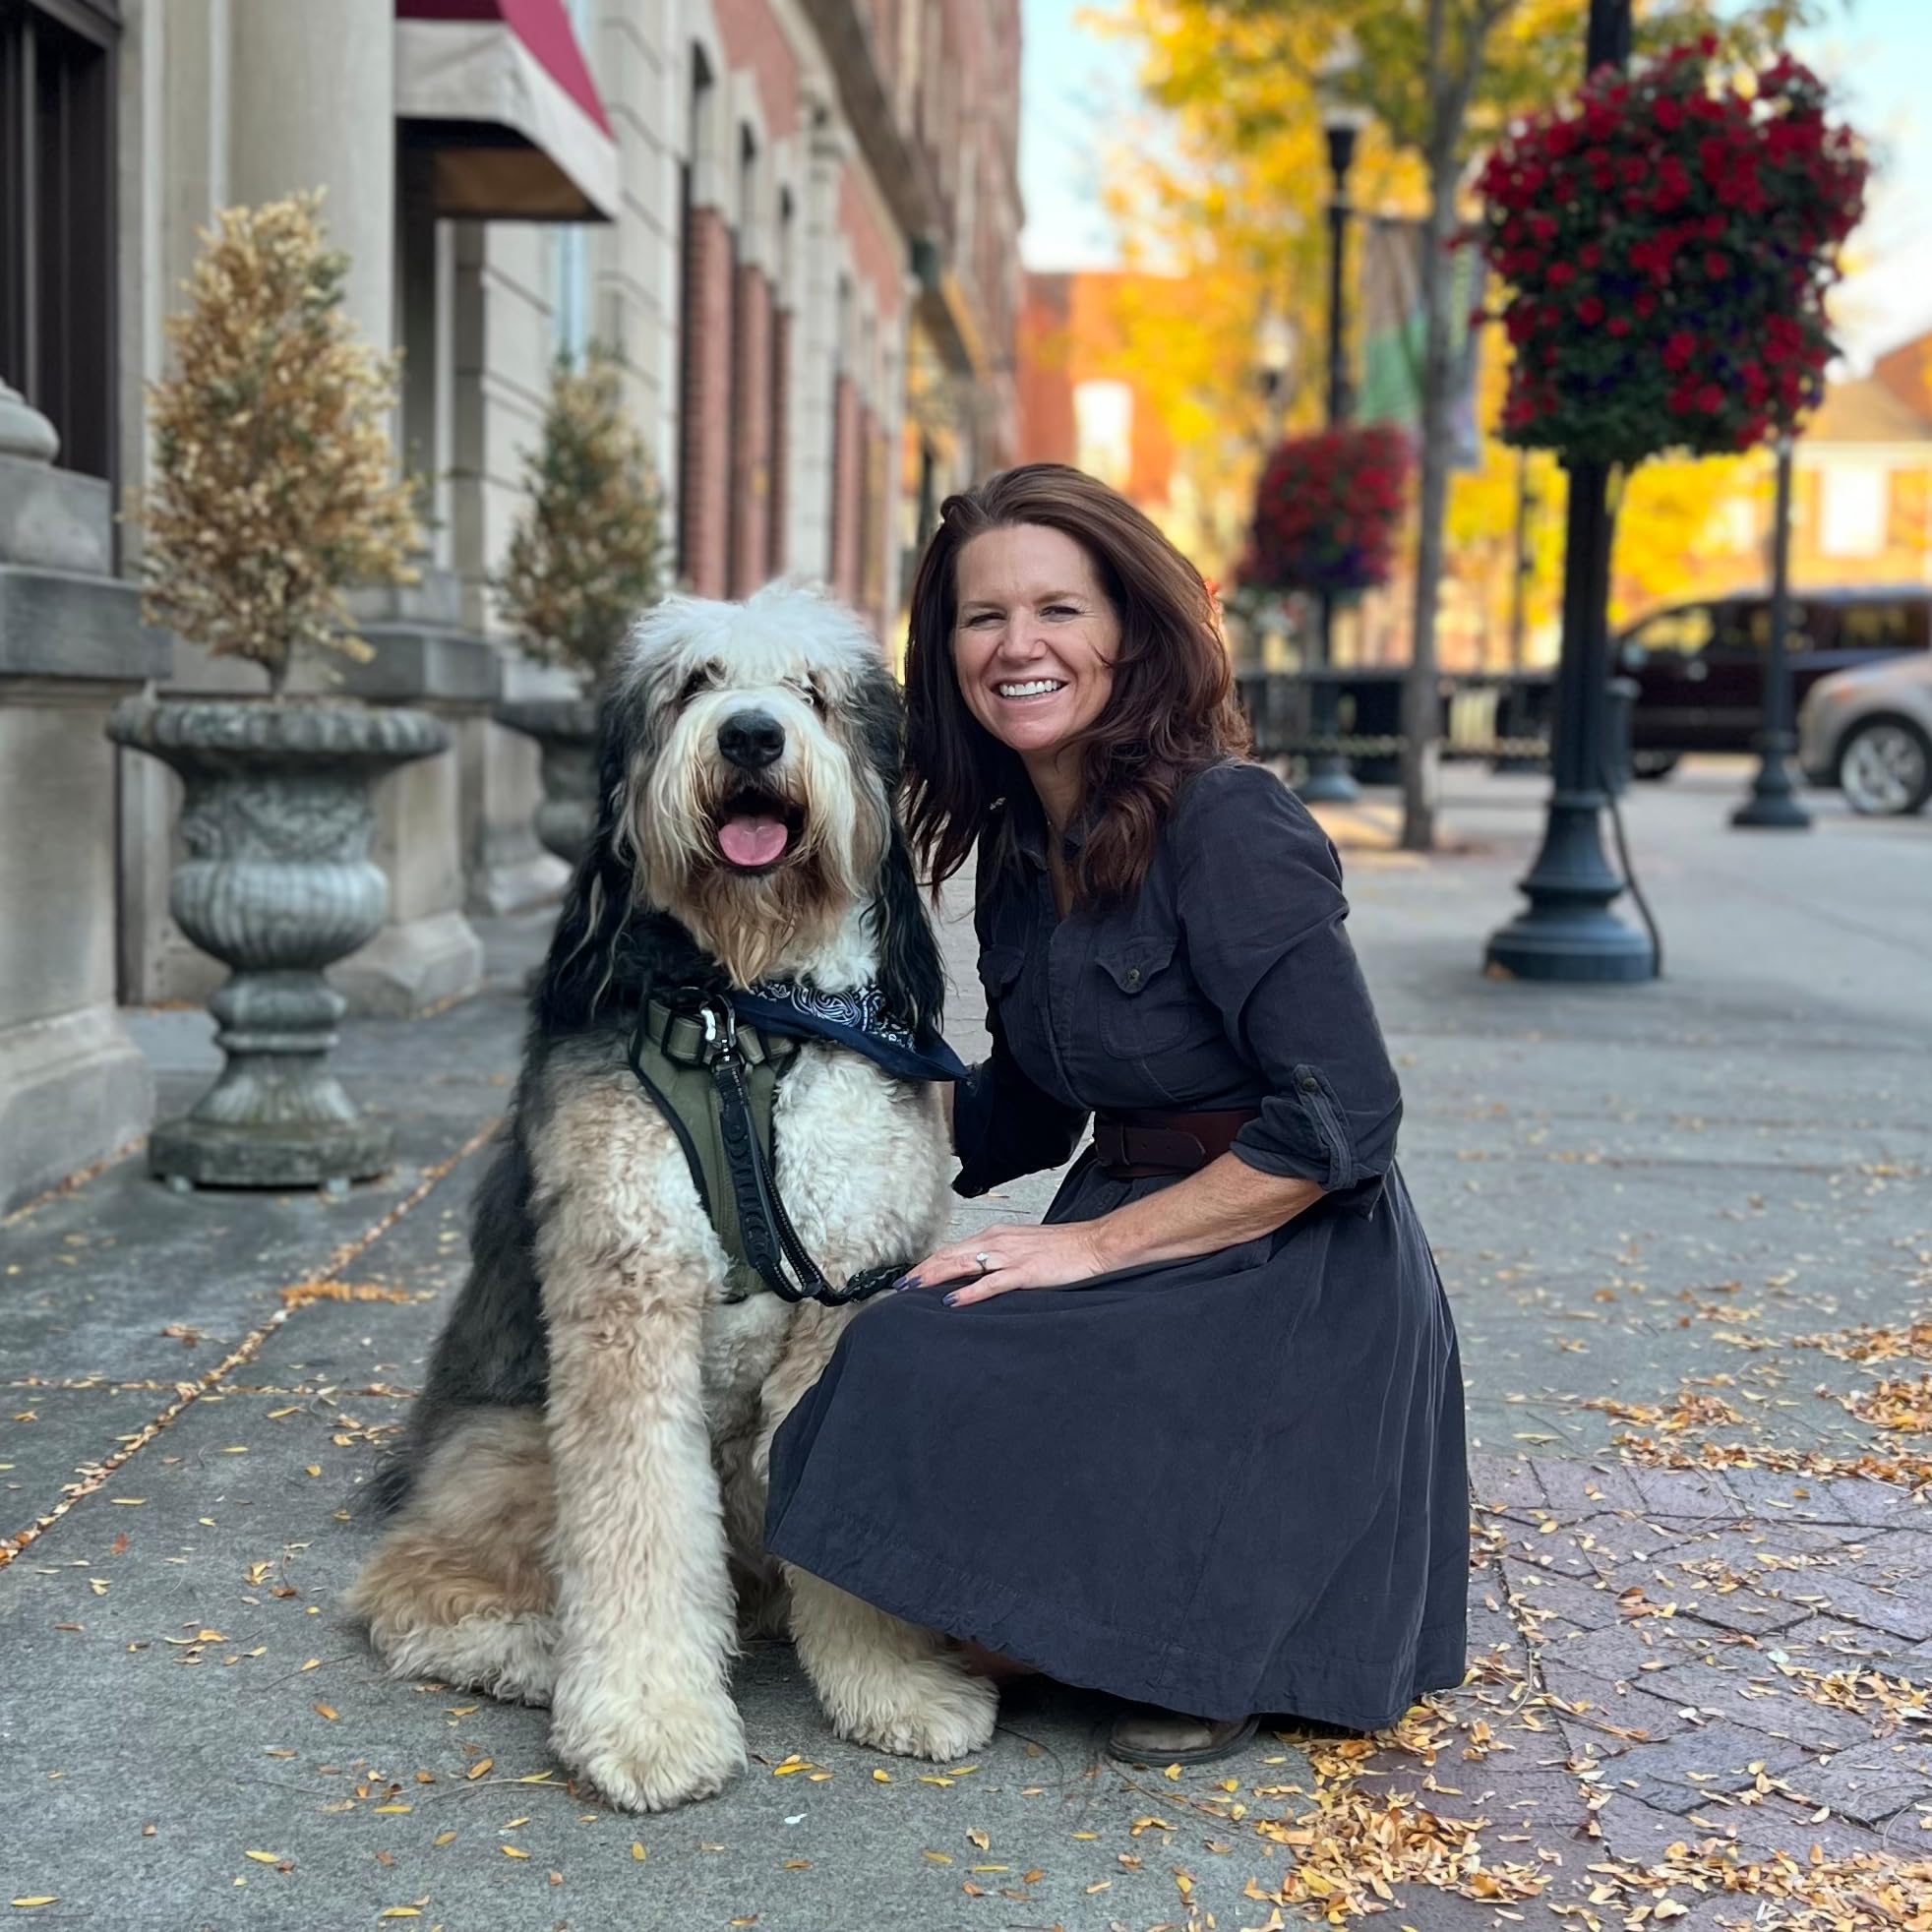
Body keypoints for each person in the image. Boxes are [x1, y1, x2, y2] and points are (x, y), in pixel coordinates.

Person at [765, 463, 1467, 1765]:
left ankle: (1202, 1637)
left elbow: (1344, 1117)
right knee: (902, 1336)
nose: (1018, 646)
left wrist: (1083, 1247)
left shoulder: (1229, 820)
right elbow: (1019, 1114)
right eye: (983, 618)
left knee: (921, 1364)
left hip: (1286, 1267)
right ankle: (1078, 1615)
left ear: (1132, 632)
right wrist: (799, 1109)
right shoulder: (1026, 854)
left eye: (1059, 611)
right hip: (1138, 1229)